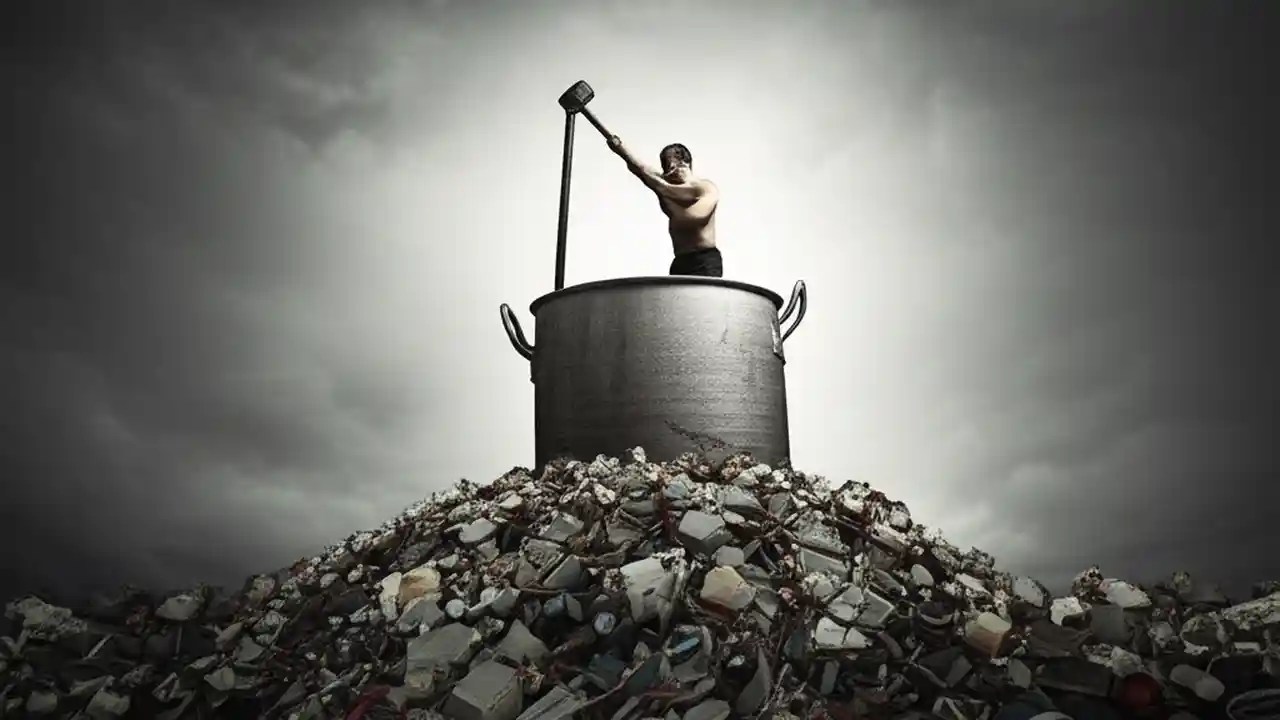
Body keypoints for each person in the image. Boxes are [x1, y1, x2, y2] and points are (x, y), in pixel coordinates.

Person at [607, 136, 722, 277]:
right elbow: (640, 168)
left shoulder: (705, 188)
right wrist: (620, 148)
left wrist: (665, 190)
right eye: (667, 171)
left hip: (704, 260)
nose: (671, 176)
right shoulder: (664, 185)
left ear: (685, 164)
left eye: (673, 169)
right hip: (680, 260)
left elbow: (695, 217)